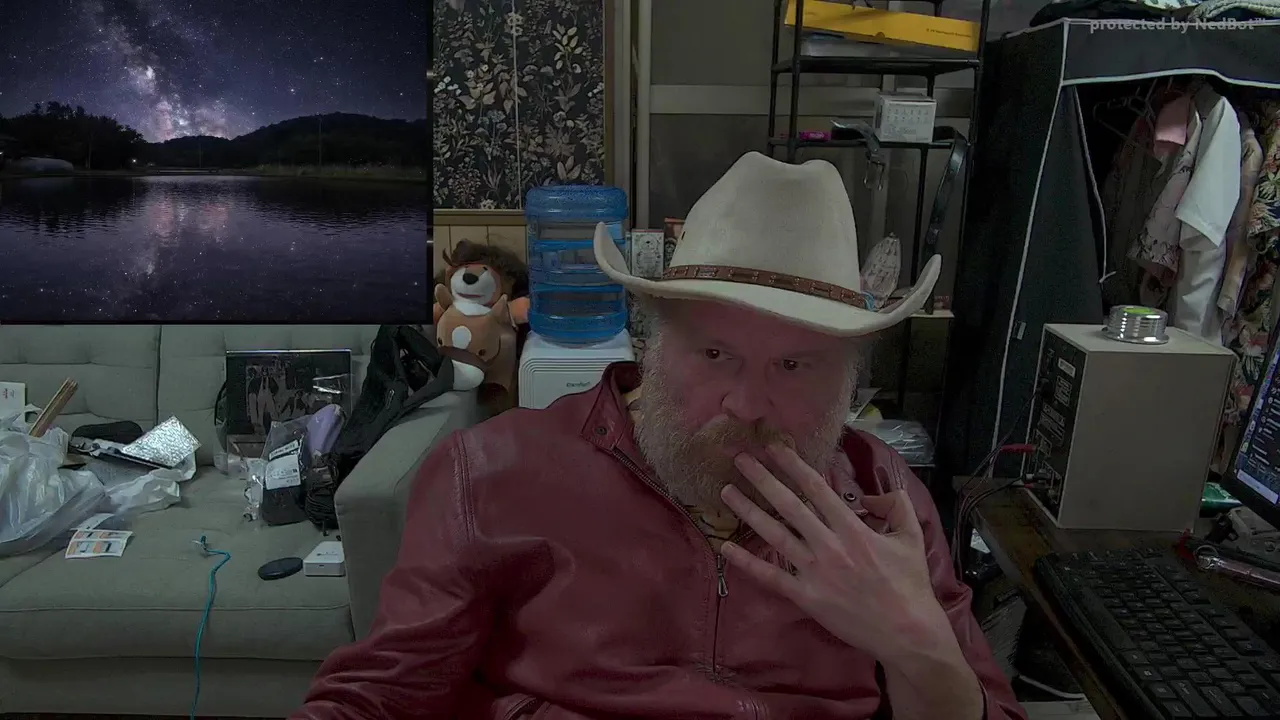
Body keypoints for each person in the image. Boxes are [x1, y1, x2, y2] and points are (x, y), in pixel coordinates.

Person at [292, 153, 1027, 720]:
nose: (747, 403)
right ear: (653, 343)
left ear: (849, 381)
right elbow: (378, 696)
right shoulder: (490, 473)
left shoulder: (883, 501)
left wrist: (917, 646)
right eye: (715, 353)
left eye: (795, 365)